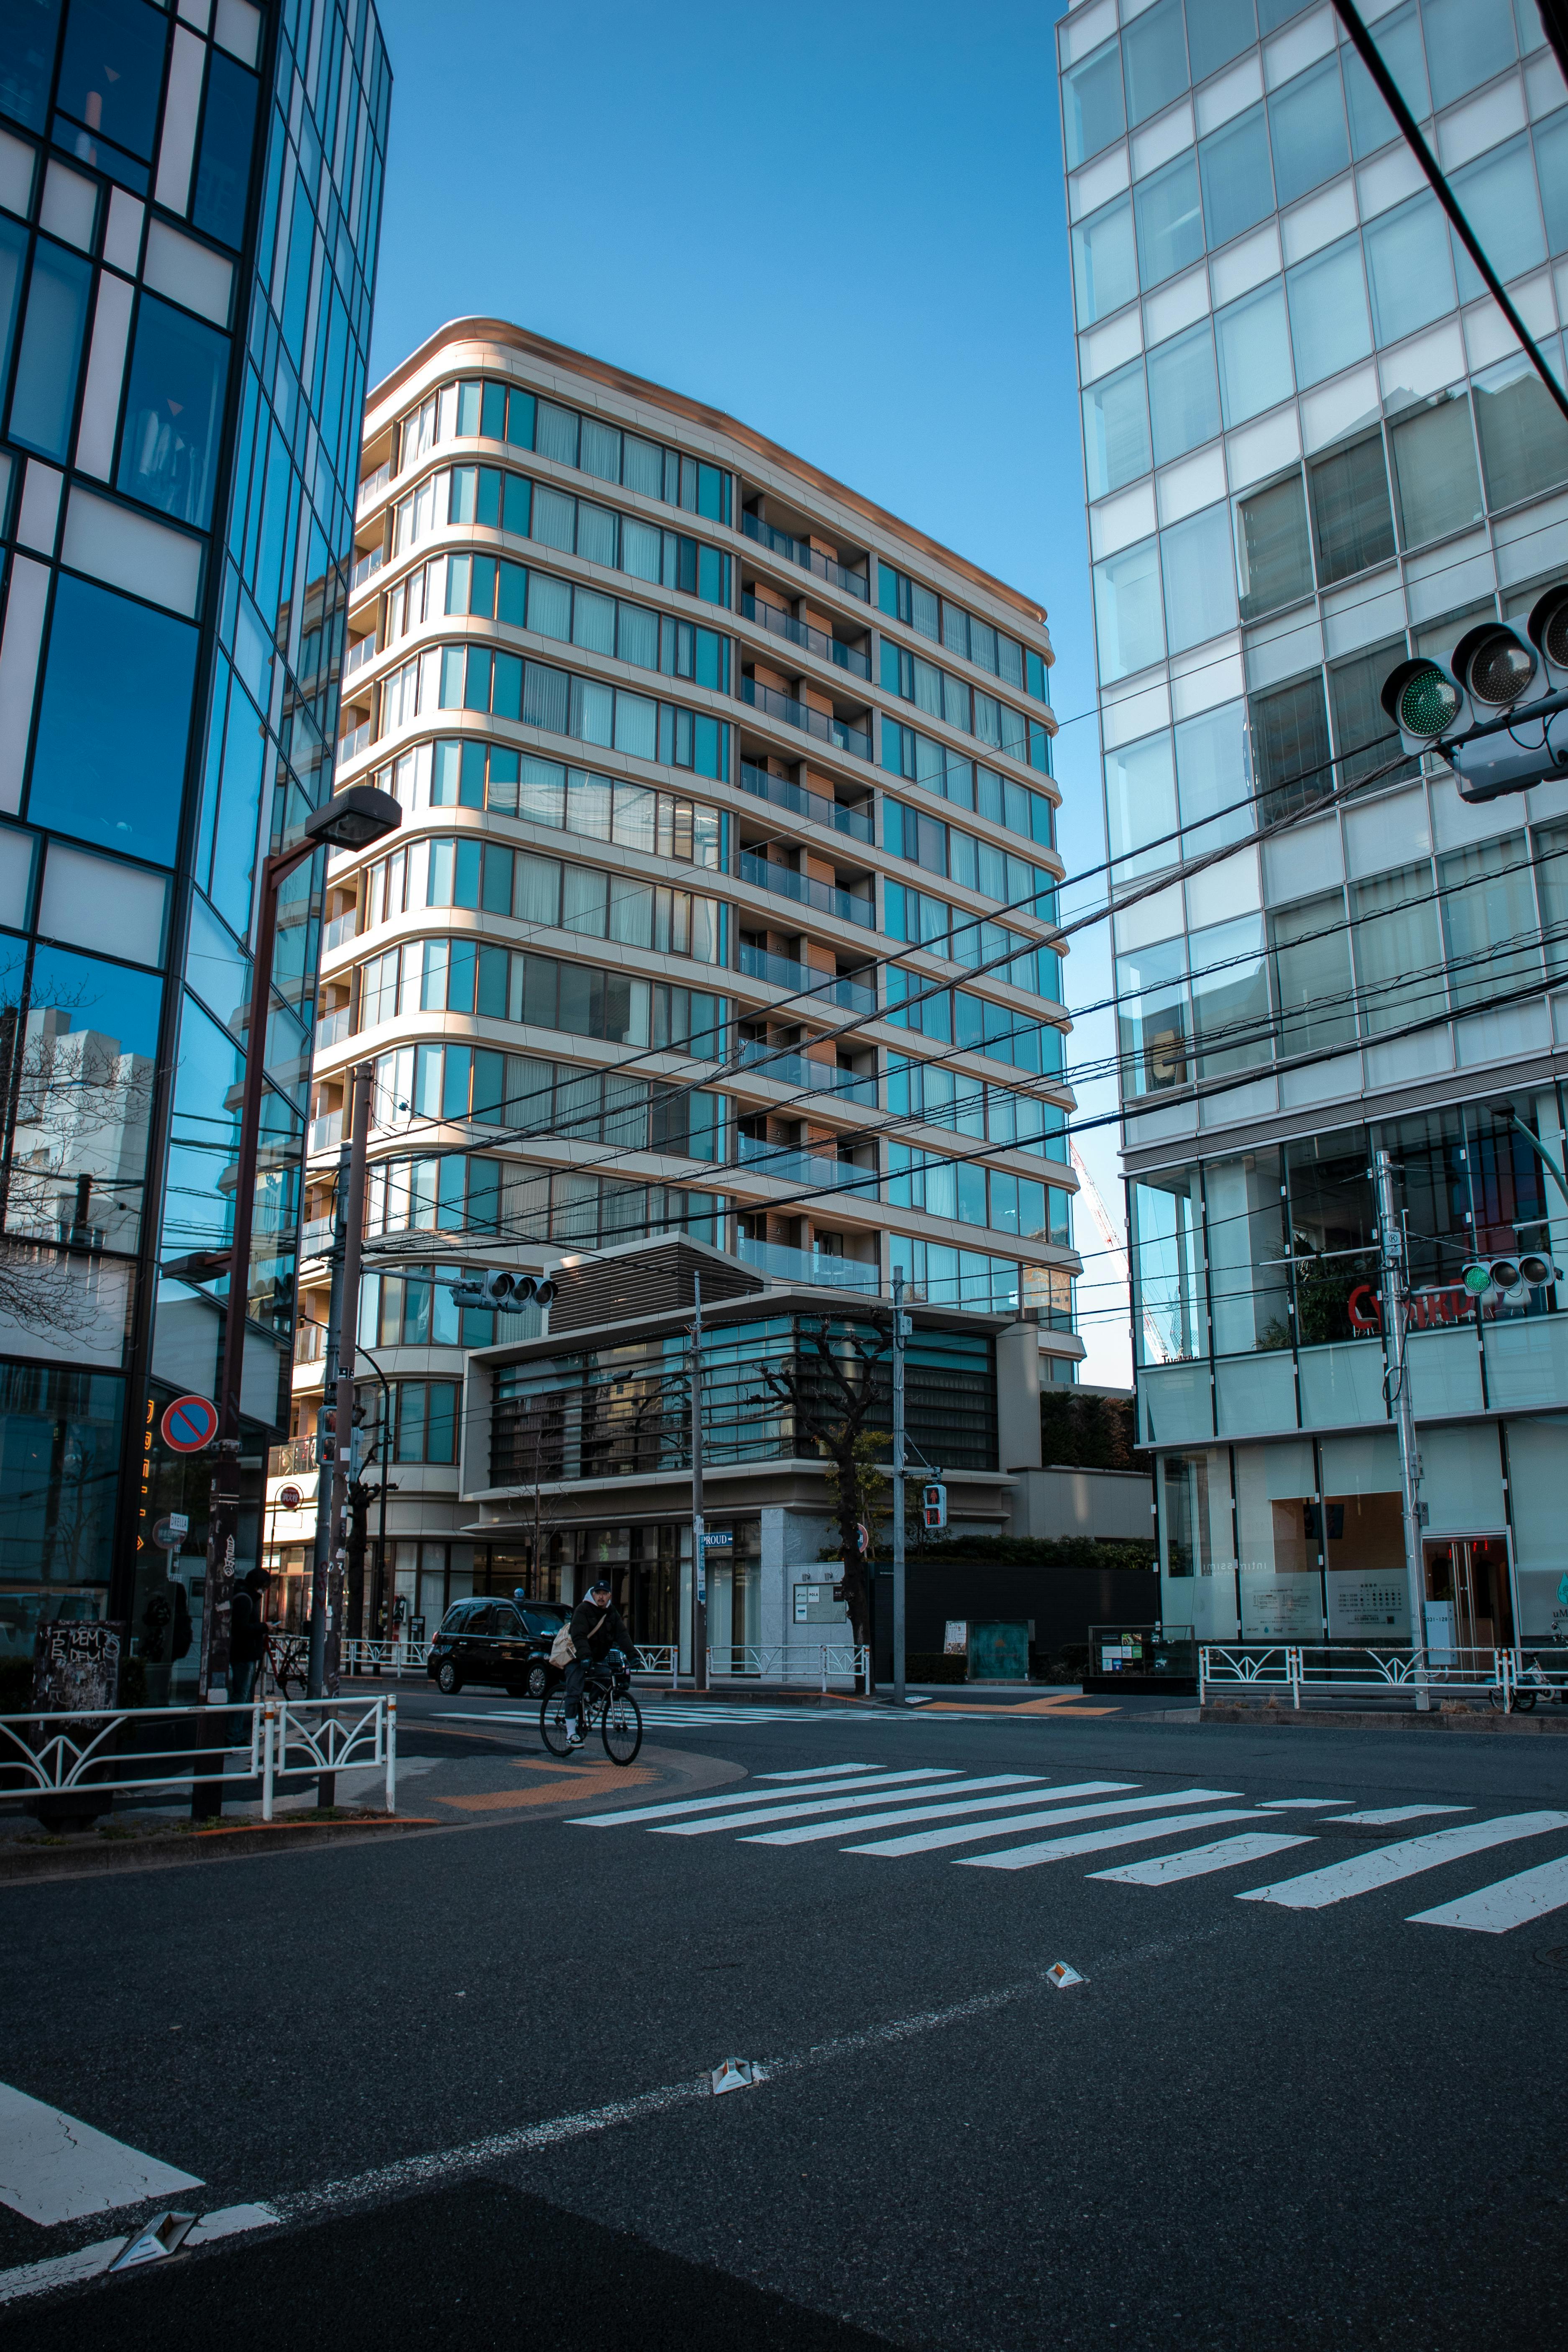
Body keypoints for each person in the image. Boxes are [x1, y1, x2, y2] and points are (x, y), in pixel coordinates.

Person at [561, 1574, 634, 1747]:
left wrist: (633, 1656)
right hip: (577, 1657)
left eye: (605, 1593)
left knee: (609, 1676)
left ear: (610, 1596)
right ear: (593, 1594)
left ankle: (591, 1703)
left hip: (597, 1658)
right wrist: (585, 1657)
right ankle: (571, 1733)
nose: (601, 1596)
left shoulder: (612, 1613)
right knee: (574, 1691)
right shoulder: (583, 1609)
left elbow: (622, 1635)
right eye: (598, 1593)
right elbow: (578, 1635)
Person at [227, 1567, 270, 1704]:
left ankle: (235, 1725)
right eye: (264, 1587)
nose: (264, 1591)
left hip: (242, 1652)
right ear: (258, 1585)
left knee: (241, 1692)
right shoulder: (245, 1599)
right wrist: (264, 1627)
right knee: (241, 1693)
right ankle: (235, 1726)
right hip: (244, 1653)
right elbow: (241, 1628)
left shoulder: (243, 1595)